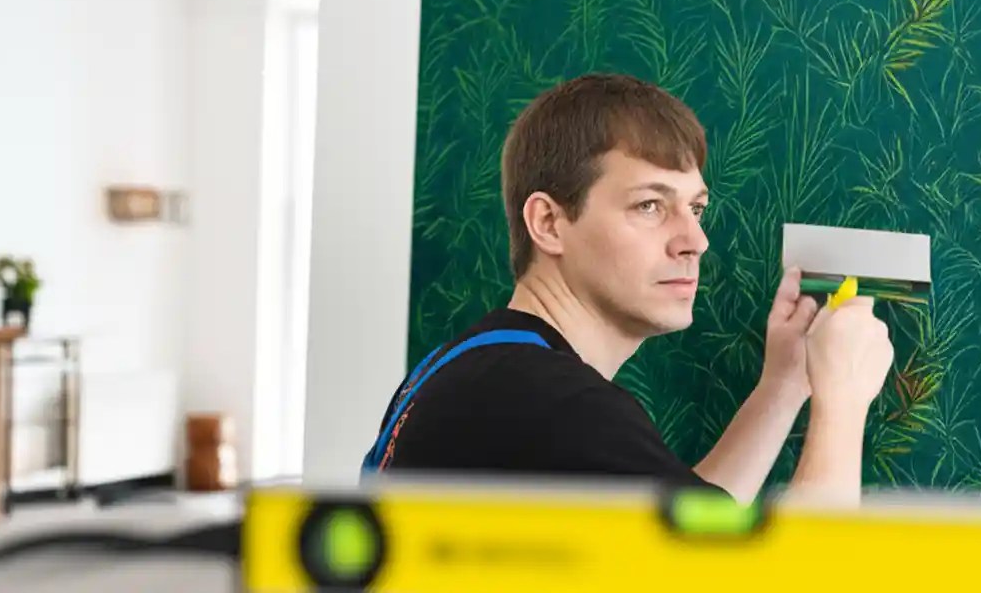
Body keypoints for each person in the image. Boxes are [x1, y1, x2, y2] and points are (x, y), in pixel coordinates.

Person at [362, 73, 894, 506]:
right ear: (548, 223)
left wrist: (783, 385)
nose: (696, 241)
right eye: (650, 206)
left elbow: (686, 538)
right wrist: (841, 404)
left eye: (696, 208)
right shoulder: (551, 403)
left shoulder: (481, 368)